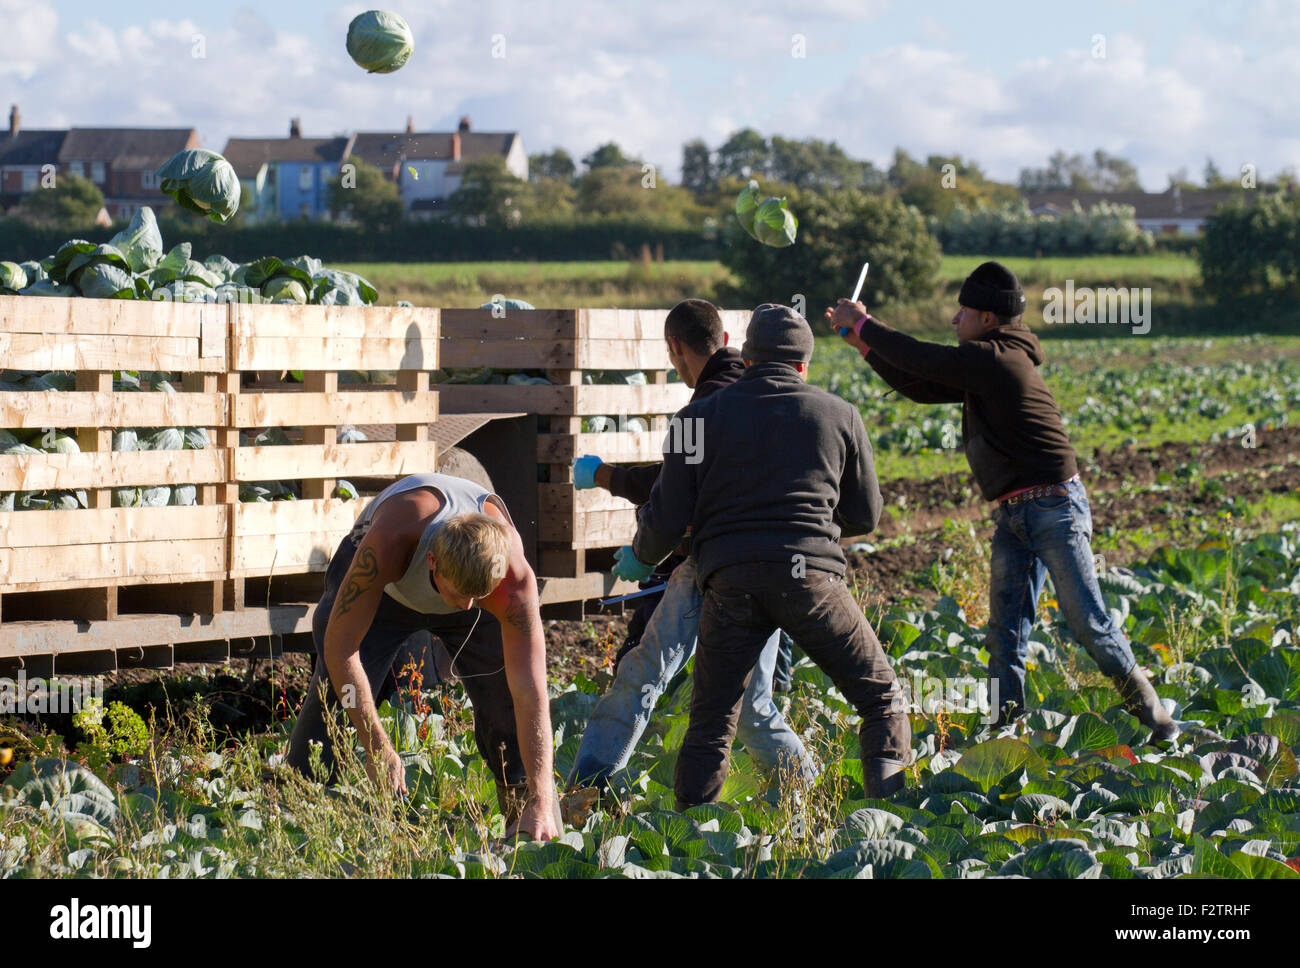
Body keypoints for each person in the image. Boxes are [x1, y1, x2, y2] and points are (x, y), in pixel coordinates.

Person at [825, 260, 1176, 742]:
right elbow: (923, 385)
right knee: (1005, 634)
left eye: (962, 311)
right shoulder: (988, 361)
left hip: (1054, 508)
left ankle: (1155, 716)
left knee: (1088, 624)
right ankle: (1004, 731)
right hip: (1014, 513)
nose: (954, 321)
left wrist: (865, 322)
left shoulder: (998, 360)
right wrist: (863, 343)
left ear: (987, 319)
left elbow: (930, 359)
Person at [620, 304, 913, 809]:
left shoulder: (694, 418)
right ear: (803, 366)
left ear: (747, 359)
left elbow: (665, 519)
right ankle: (890, 820)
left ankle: (691, 841)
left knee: (712, 725)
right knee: (882, 701)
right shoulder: (840, 414)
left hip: (729, 582)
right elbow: (865, 516)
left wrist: (641, 555)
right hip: (812, 580)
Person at [568, 299, 815, 794]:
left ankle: (588, 787)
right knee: (748, 704)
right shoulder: (753, 395)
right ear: (726, 343)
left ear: (675, 348)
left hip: (715, 563)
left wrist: (636, 538)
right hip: (763, 563)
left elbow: (673, 491)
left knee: (647, 675)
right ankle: (807, 788)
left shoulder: (708, 408)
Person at [284, 472, 562, 840]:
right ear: (432, 561)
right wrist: (376, 745)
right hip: (389, 592)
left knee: (509, 701)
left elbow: (532, 692)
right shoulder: (391, 539)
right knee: (336, 693)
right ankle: (298, 806)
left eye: (475, 596)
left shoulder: (512, 581)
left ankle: (530, 821)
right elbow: (341, 647)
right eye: (459, 594)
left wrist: (543, 797)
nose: (464, 606)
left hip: (469, 583)